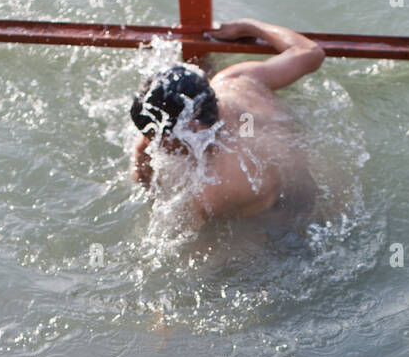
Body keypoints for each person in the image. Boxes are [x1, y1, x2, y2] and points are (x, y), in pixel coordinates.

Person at [130, 18, 325, 225]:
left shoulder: (218, 188)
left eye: (161, 139)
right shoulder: (235, 80)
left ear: (194, 128)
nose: (156, 146)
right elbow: (310, 53)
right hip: (282, 140)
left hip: (295, 206)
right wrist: (249, 27)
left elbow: (199, 243)